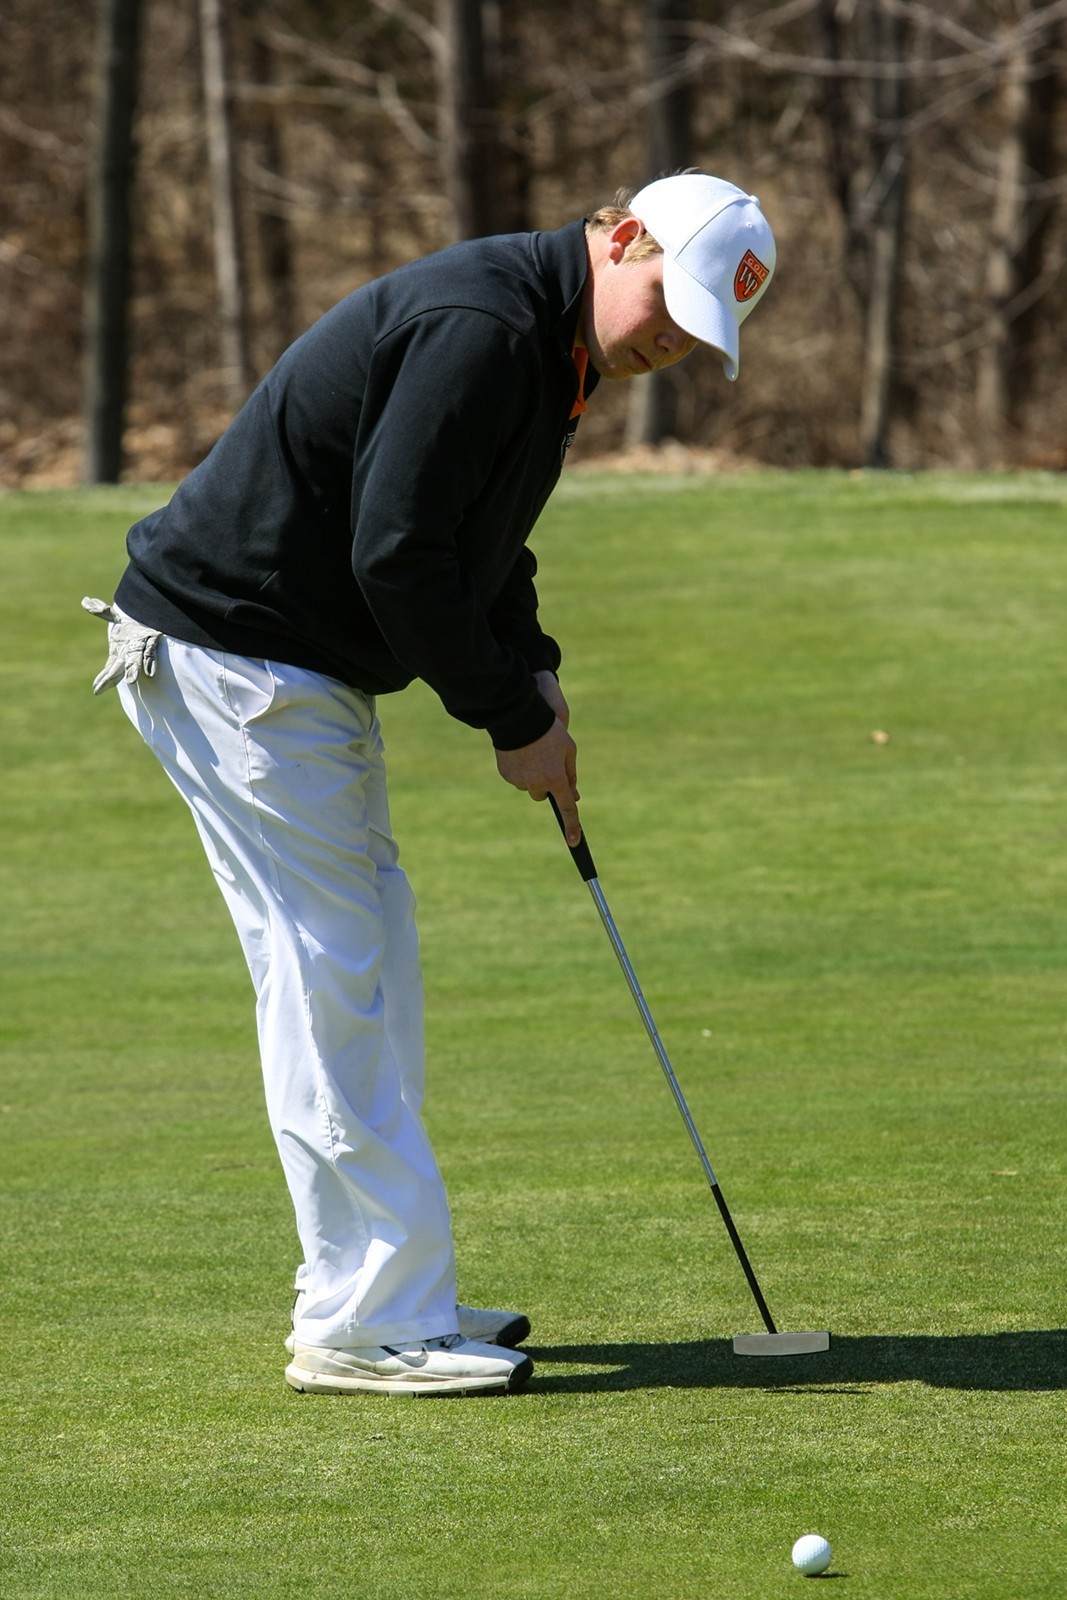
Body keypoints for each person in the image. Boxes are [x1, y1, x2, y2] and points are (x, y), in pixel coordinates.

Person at [83, 172, 776, 1398]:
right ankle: (364, 1325)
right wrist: (509, 716)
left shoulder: (552, 344)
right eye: (666, 301)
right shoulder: (487, 328)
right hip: (235, 655)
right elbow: (397, 552)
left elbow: (479, 537)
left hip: (272, 663)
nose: (668, 338)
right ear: (619, 236)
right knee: (330, 974)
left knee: (360, 961)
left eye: (695, 333)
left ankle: (380, 1294)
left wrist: (536, 671)